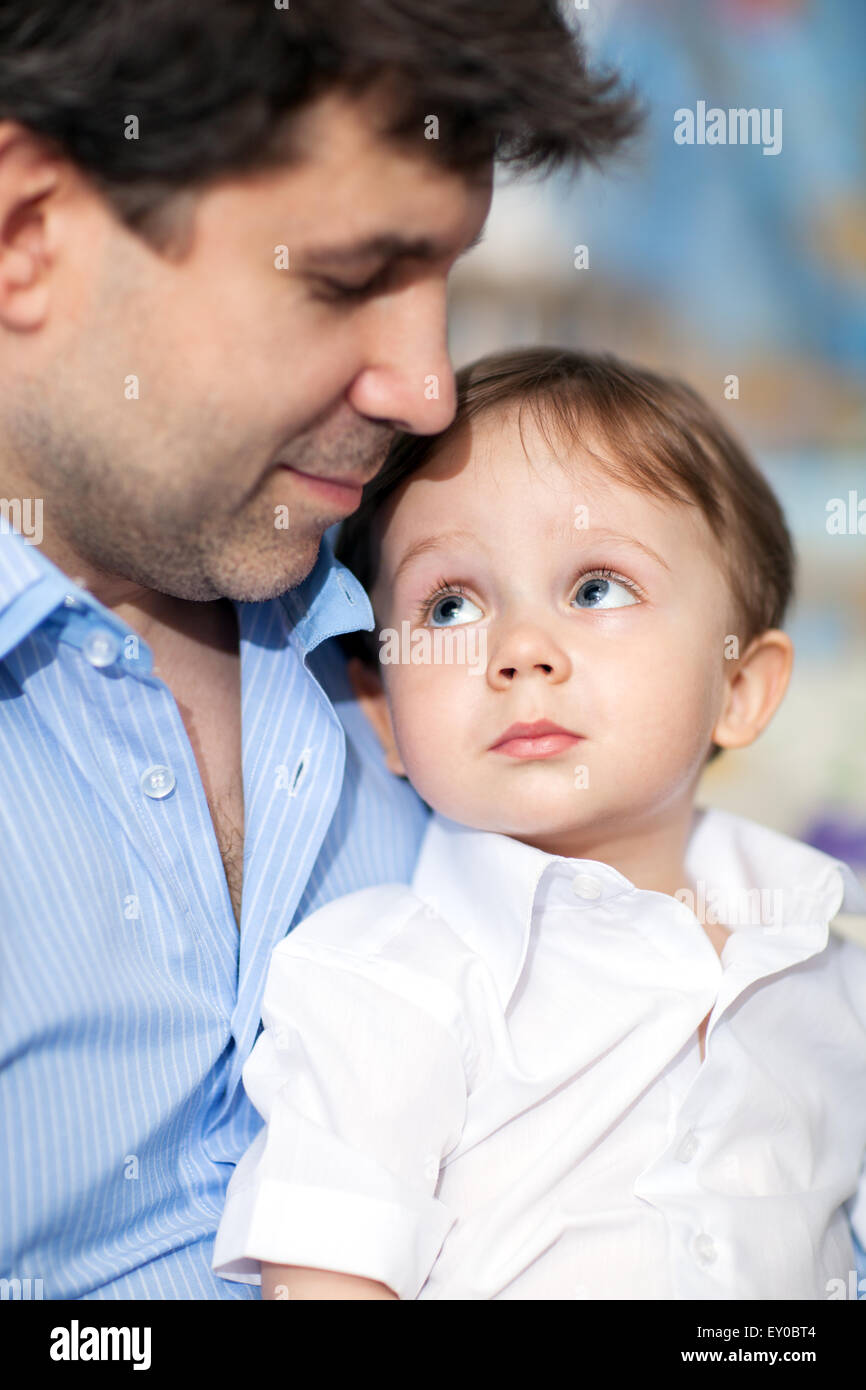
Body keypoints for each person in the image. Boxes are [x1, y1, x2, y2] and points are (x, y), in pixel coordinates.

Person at [0, 4, 641, 1299]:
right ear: (27, 234)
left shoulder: (446, 595)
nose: (427, 388)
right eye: (348, 281)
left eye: (444, 278)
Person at [212, 347, 866, 1301]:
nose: (520, 650)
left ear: (738, 687)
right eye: (451, 604)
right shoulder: (389, 978)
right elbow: (329, 1279)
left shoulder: (820, 958)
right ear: (386, 713)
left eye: (597, 587)